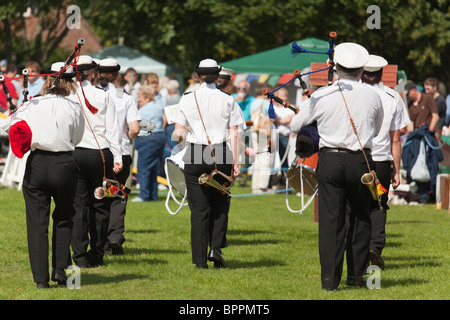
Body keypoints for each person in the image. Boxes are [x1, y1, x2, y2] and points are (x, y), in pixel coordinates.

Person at [290, 42, 384, 291]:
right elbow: (377, 124)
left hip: (330, 159)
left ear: (336, 67)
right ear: (361, 69)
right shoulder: (373, 94)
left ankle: (330, 281)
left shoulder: (323, 93)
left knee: (331, 221)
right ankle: (356, 276)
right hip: (361, 160)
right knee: (361, 217)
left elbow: (294, 124)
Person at [1, 62, 85, 288]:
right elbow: (77, 139)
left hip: (38, 163)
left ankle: (40, 279)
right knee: (64, 217)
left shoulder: (32, 105)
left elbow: (8, 126)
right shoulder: (74, 107)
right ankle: (59, 270)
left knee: (37, 223)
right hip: (65, 163)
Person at [172, 58, 242, 269]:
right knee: (220, 204)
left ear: (198, 75)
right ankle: (216, 249)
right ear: (217, 75)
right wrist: (236, 163)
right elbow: (235, 134)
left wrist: (180, 138)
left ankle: (200, 260)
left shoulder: (187, 98)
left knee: (199, 209)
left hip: (195, 152)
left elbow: (178, 132)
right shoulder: (228, 100)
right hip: (220, 152)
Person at [69, 55, 123, 268]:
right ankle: (97, 252)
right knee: (100, 205)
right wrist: (118, 157)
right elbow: (112, 130)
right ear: (93, 72)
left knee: (79, 205)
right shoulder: (103, 96)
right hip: (100, 154)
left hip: (76, 152)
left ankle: (80, 254)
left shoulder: (68, 94)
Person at [361, 54, 410, 270]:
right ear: (381, 74)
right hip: (381, 161)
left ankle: (358, 250)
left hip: (358, 159)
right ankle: (375, 247)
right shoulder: (392, 97)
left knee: (355, 205)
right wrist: (397, 170)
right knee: (379, 205)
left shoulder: (354, 95)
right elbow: (396, 138)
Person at [94, 59, 141, 255]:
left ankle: (99, 241)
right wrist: (125, 138)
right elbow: (135, 128)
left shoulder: (91, 94)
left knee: (98, 195)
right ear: (117, 74)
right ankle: (114, 237)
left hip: (96, 150)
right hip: (120, 151)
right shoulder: (125, 97)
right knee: (118, 195)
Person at [404, 81, 440, 202]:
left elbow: (435, 115)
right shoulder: (410, 105)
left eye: (408, 94)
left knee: (431, 164)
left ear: (414, 91)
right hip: (417, 140)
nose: (407, 96)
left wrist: (429, 131)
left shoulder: (428, 98)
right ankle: (420, 194)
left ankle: (432, 194)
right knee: (414, 164)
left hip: (429, 138)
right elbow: (410, 125)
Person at [133, 85, 166, 202]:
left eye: (140, 97)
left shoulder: (143, 111)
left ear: (147, 98)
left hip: (147, 139)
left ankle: (143, 195)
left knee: (143, 168)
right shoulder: (158, 107)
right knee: (153, 168)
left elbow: (136, 127)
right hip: (159, 137)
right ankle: (153, 195)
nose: (138, 100)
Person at [249, 84, 274, 194]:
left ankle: (255, 186)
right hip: (263, 131)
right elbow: (272, 116)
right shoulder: (265, 103)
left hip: (254, 129)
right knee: (265, 156)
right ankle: (262, 186)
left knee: (258, 157)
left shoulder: (253, 102)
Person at [273, 87, 294, 188]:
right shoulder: (274, 108)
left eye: (284, 96)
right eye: (281, 96)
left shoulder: (290, 108)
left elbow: (288, 119)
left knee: (284, 159)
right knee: (273, 159)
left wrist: (279, 120)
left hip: (284, 136)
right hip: (274, 136)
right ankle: (274, 181)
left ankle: (285, 183)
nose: (283, 98)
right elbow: (273, 118)